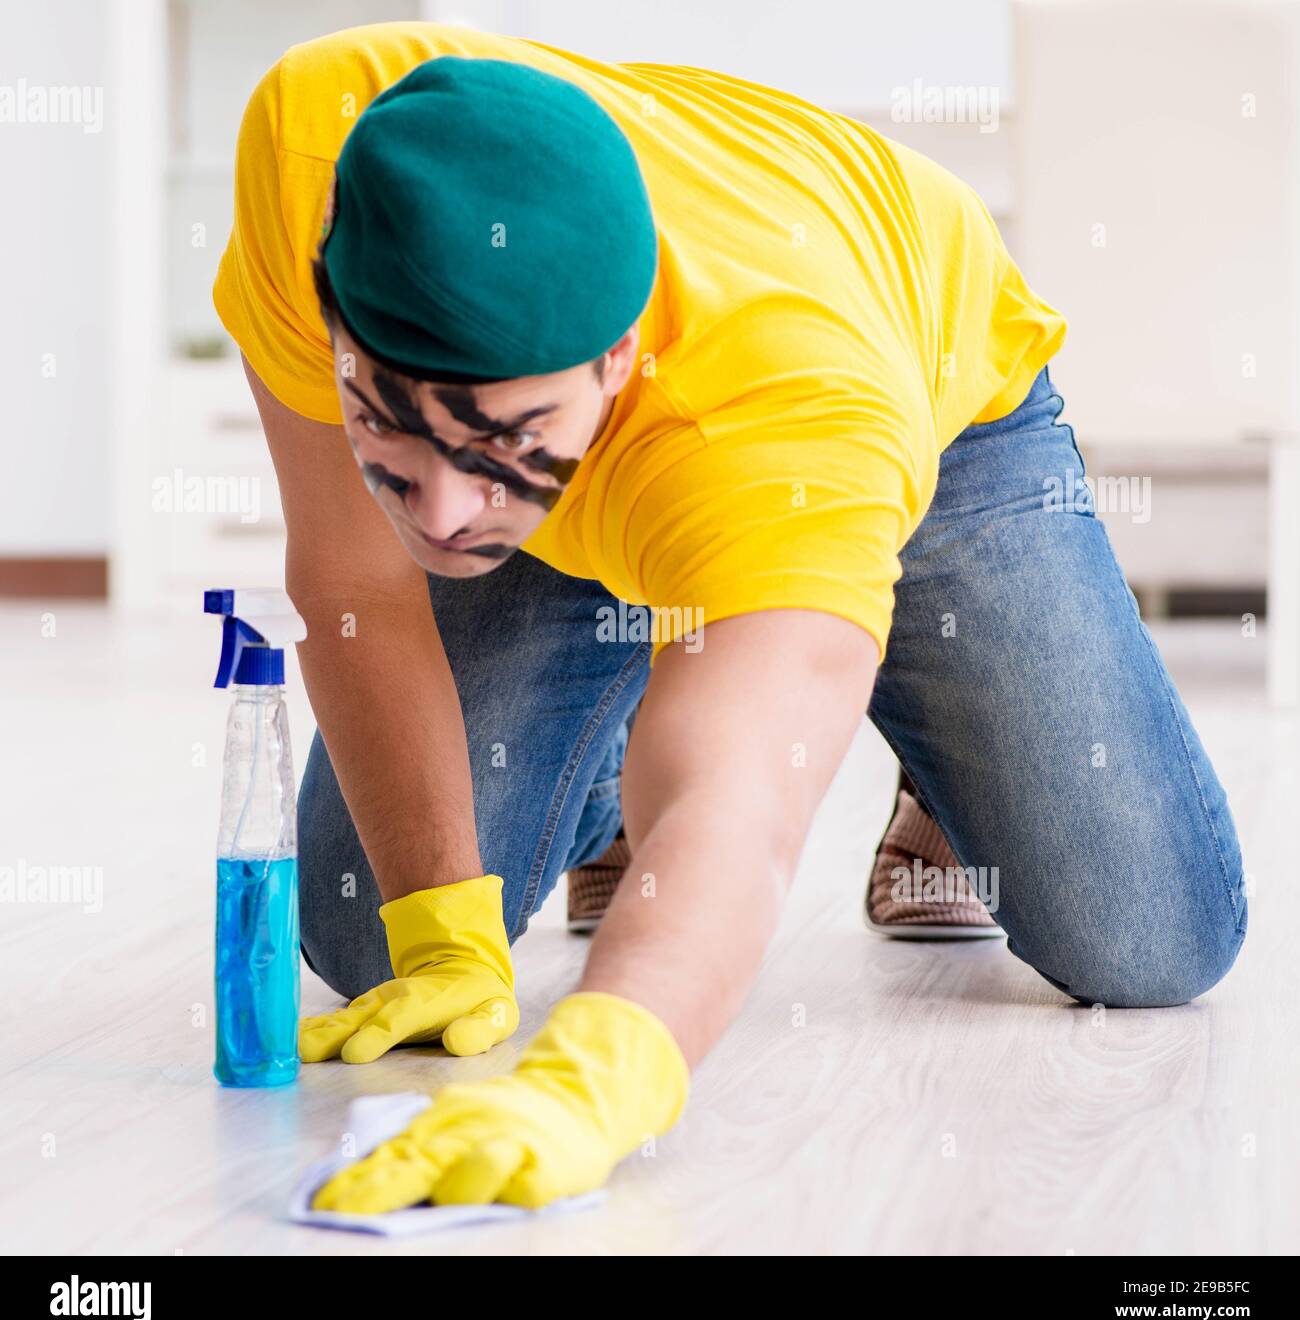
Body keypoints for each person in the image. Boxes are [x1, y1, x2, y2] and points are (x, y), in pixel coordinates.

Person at [214, 22, 1247, 1213]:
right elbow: (353, 581)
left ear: (614, 360)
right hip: (625, 470)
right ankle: (614, 706)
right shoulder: (328, 161)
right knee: (366, 931)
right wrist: (444, 930)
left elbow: (738, 806)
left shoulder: (789, 412)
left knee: (1145, 938)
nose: (442, 514)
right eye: (390, 423)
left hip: (913, 394)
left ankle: (918, 741)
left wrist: (598, 1074)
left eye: (500, 443)